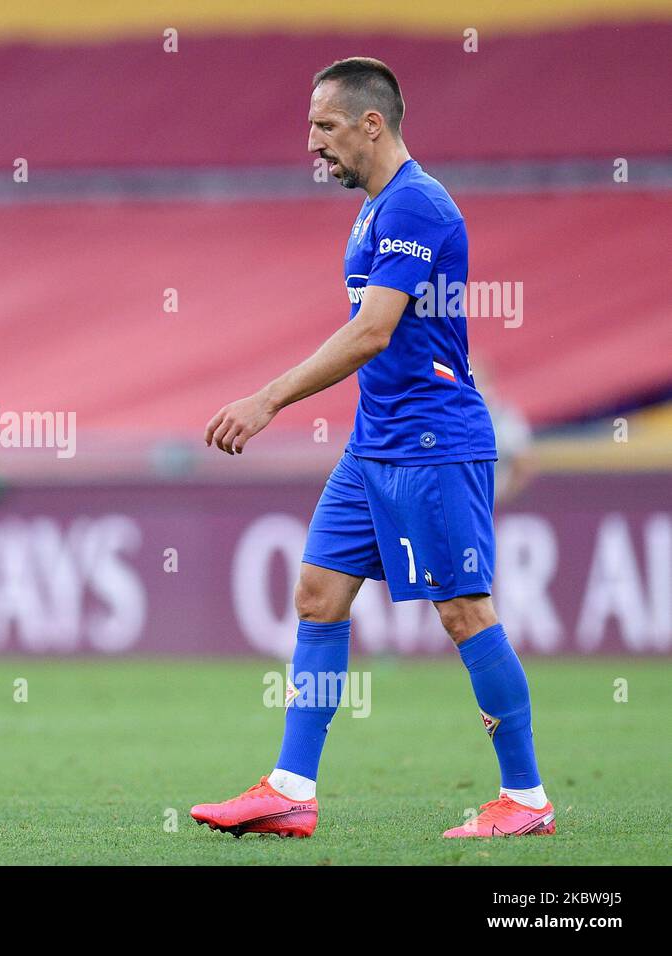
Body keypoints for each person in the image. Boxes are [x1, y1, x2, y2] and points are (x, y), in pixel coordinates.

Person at [191, 58, 552, 839]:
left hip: (434, 442)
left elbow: (372, 331)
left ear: (371, 124)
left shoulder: (418, 204)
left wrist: (266, 400)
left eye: (324, 128)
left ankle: (525, 798)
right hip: (375, 443)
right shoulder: (374, 209)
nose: (314, 146)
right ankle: (291, 787)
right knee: (318, 595)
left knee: (463, 612)